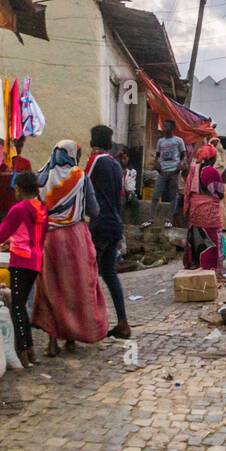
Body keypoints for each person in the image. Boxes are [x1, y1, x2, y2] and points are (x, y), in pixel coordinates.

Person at [32, 140, 108, 355]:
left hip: (48, 238)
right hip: (75, 238)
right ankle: (72, 338)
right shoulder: (80, 177)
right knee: (76, 287)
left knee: (49, 287)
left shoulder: (41, 176)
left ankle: (52, 341)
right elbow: (94, 210)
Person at [0, 170, 46, 368]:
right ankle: (30, 351)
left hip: (20, 262)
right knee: (21, 305)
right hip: (35, 262)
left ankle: (22, 350)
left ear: (19, 189)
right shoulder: (41, 208)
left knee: (17, 307)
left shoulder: (18, 209)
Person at [85, 125, 132, 340]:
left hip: (100, 224)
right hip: (115, 223)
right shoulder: (115, 165)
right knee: (109, 273)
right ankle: (122, 322)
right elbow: (120, 196)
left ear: (93, 142)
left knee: (87, 273)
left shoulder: (95, 161)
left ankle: (90, 323)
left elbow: (82, 186)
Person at [184, 144, 225, 271]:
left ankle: (195, 264)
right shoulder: (212, 171)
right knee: (212, 238)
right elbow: (219, 193)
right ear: (212, 158)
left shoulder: (194, 170)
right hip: (209, 213)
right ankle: (211, 267)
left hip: (195, 211)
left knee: (197, 237)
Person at [153, 119, 185, 211]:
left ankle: (171, 215)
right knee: (160, 193)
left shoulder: (179, 141)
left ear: (172, 128)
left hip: (174, 171)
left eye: (167, 126)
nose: (164, 128)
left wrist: (180, 165)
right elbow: (157, 155)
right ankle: (158, 214)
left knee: (173, 194)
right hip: (162, 171)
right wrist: (156, 164)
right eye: (164, 126)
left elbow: (183, 155)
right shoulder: (160, 141)